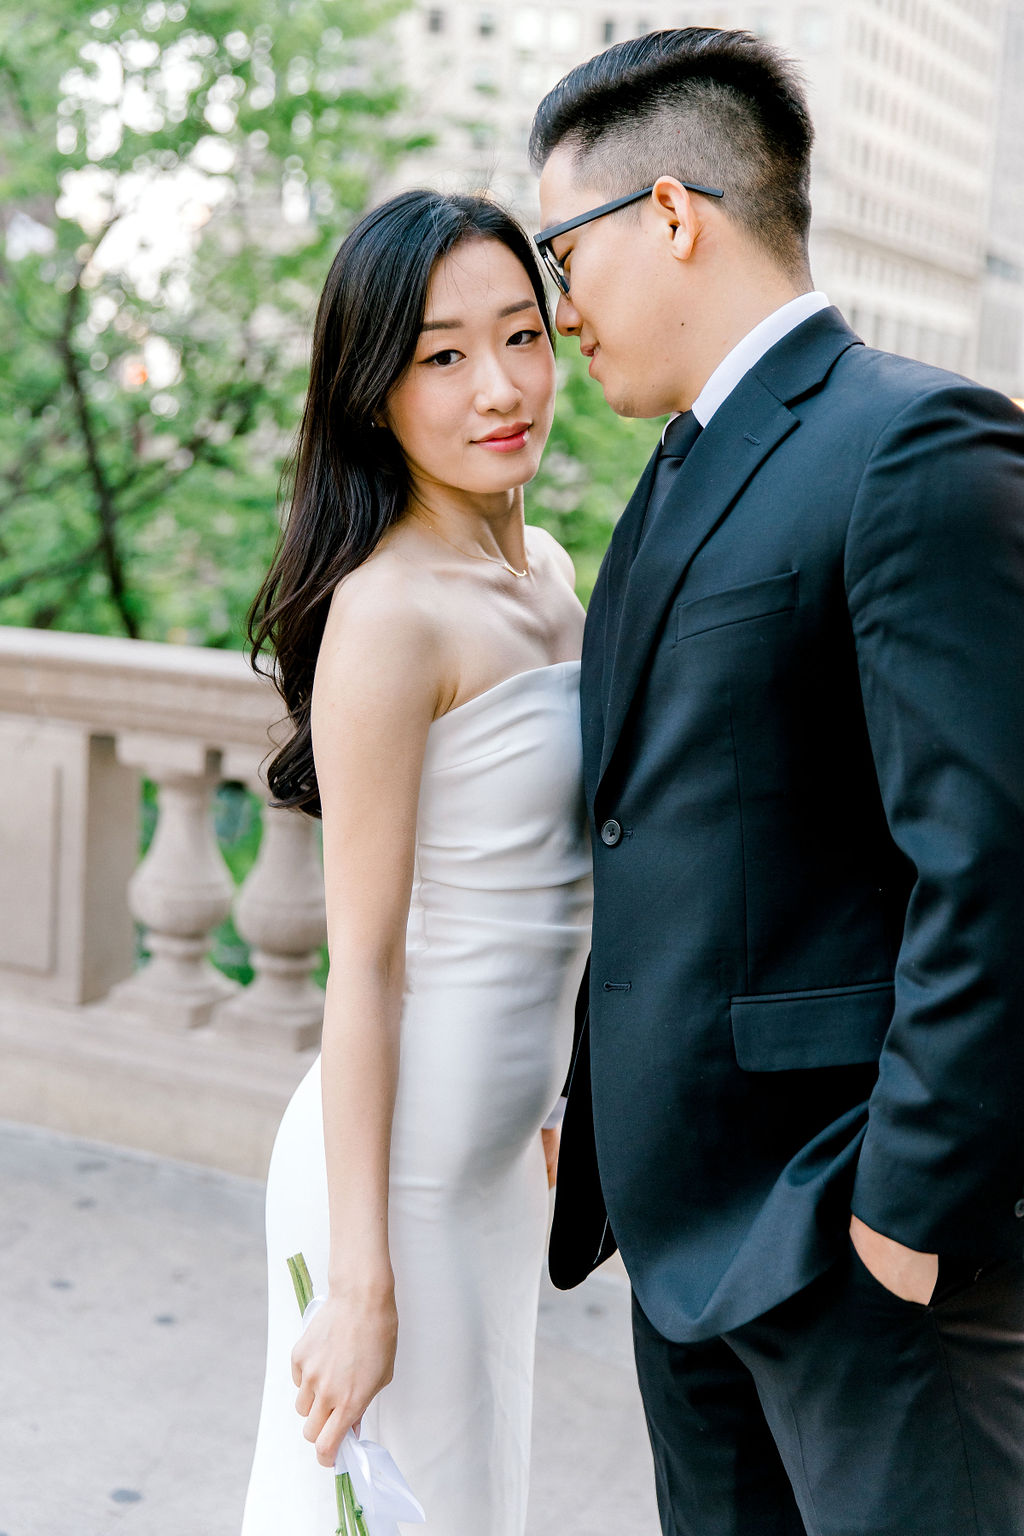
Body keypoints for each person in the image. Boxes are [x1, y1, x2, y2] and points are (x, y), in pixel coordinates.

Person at [530, 26, 1024, 1536]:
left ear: (669, 213)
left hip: (854, 1243)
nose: (560, 311)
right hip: (684, 1247)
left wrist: (902, 1211)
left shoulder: (912, 444)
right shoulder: (679, 465)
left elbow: (995, 860)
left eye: (565, 253)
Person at [240, 189, 592, 1536]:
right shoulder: (390, 614)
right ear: (373, 388)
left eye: (522, 335)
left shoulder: (548, 575)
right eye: (442, 355)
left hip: (500, 1162)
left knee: (471, 1505)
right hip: (398, 1180)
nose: (500, 386)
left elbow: (556, 876)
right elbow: (366, 967)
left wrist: (562, 1097)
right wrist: (363, 1280)